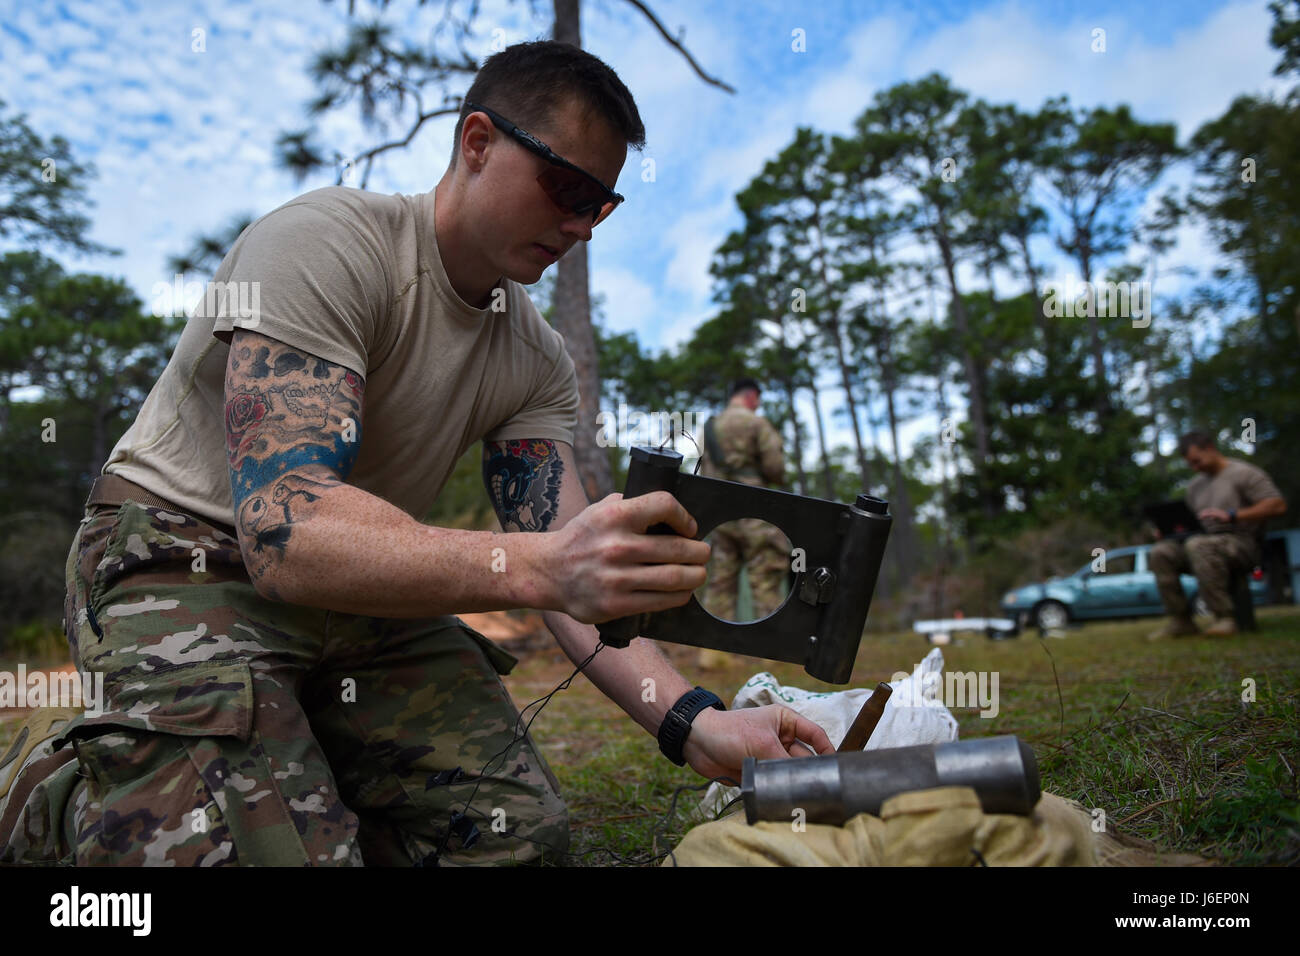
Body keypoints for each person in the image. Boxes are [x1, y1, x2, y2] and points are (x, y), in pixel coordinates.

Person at [0, 41, 833, 867]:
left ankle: (290, 763)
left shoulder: (536, 360)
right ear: (477, 144)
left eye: (602, 205)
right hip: (181, 553)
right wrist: (538, 565)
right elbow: (284, 531)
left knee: (514, 840)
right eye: (568, 187)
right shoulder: (326, 245)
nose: (581, 226)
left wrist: (693, 722)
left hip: (362, 588)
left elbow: (573, 573)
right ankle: (58, 794)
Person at [1147, 430, 1287, 638]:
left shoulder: (1244, 473)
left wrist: (1232, 515)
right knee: (1161, 552)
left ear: (1210, 449)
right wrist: (1169, 532)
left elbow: (1277, 505)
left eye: (1197, 461)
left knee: (1200, 545)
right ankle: (1181, 620)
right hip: (1201, 541)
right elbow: (1191, 522)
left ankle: (1225, 617)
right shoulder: (1196, 485)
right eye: (1190, 465)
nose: (1195, 468)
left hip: (1242, 543)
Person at [697, 377, 789, 669]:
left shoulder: (709, 427)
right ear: (751, 397)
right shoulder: (757, 424)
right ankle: (769, 650)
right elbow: (776, 468)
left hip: (721, 514)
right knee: (766, 577)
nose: (759, 404)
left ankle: (713, 655)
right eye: (758, 399)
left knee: (721, 582)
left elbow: (702, 469)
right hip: (755, 512)